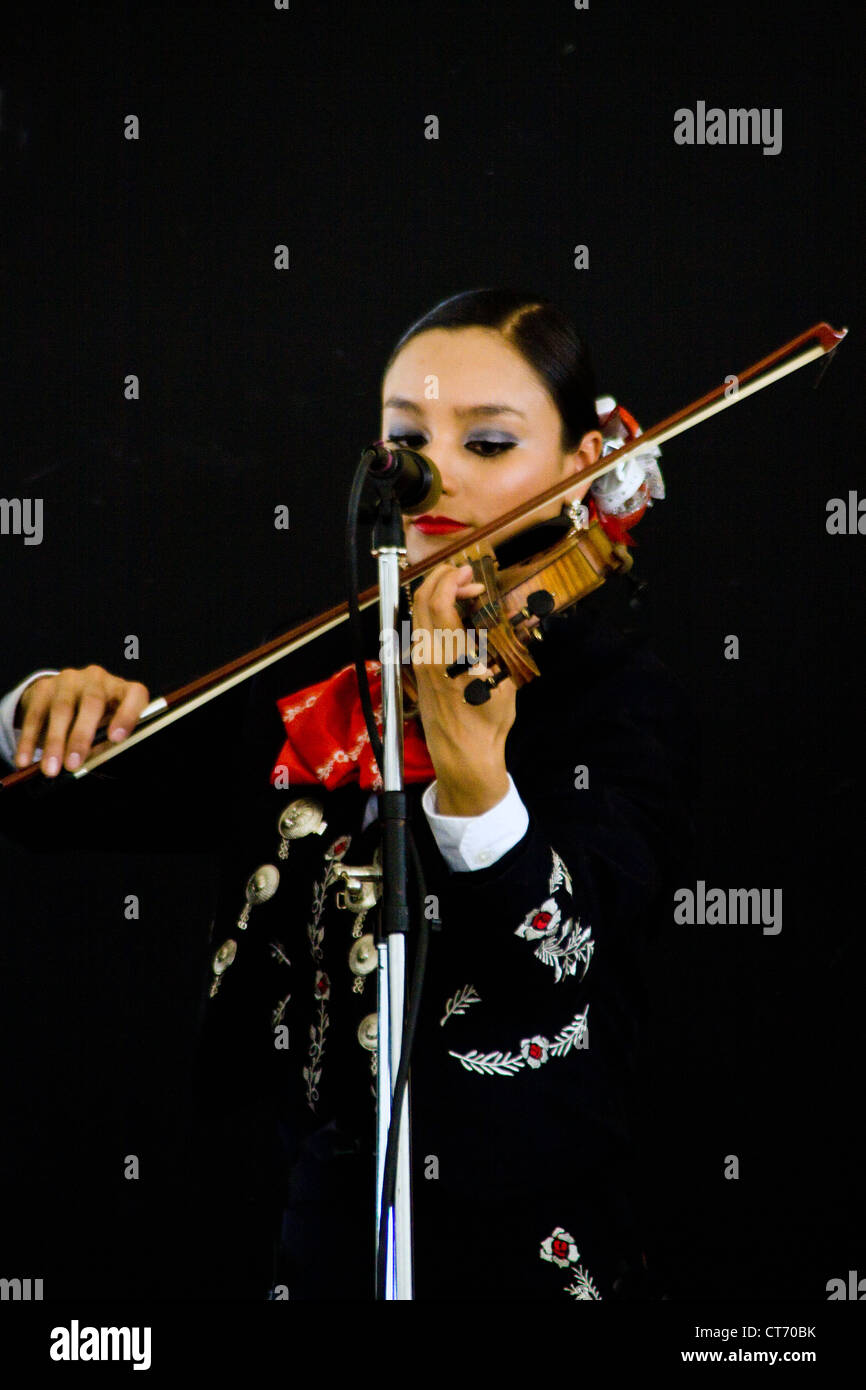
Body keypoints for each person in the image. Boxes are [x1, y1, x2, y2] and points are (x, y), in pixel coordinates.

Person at [0, 289, 695, 1300]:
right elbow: (63, 800)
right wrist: (39, 711)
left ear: (576, 469)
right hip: (305, 1233)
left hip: (521, 1249)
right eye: (406, 441)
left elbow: (564, 954)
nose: (432, 474)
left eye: (490, 443)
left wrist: (474, 785)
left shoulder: (613, 697)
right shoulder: (324, 667)